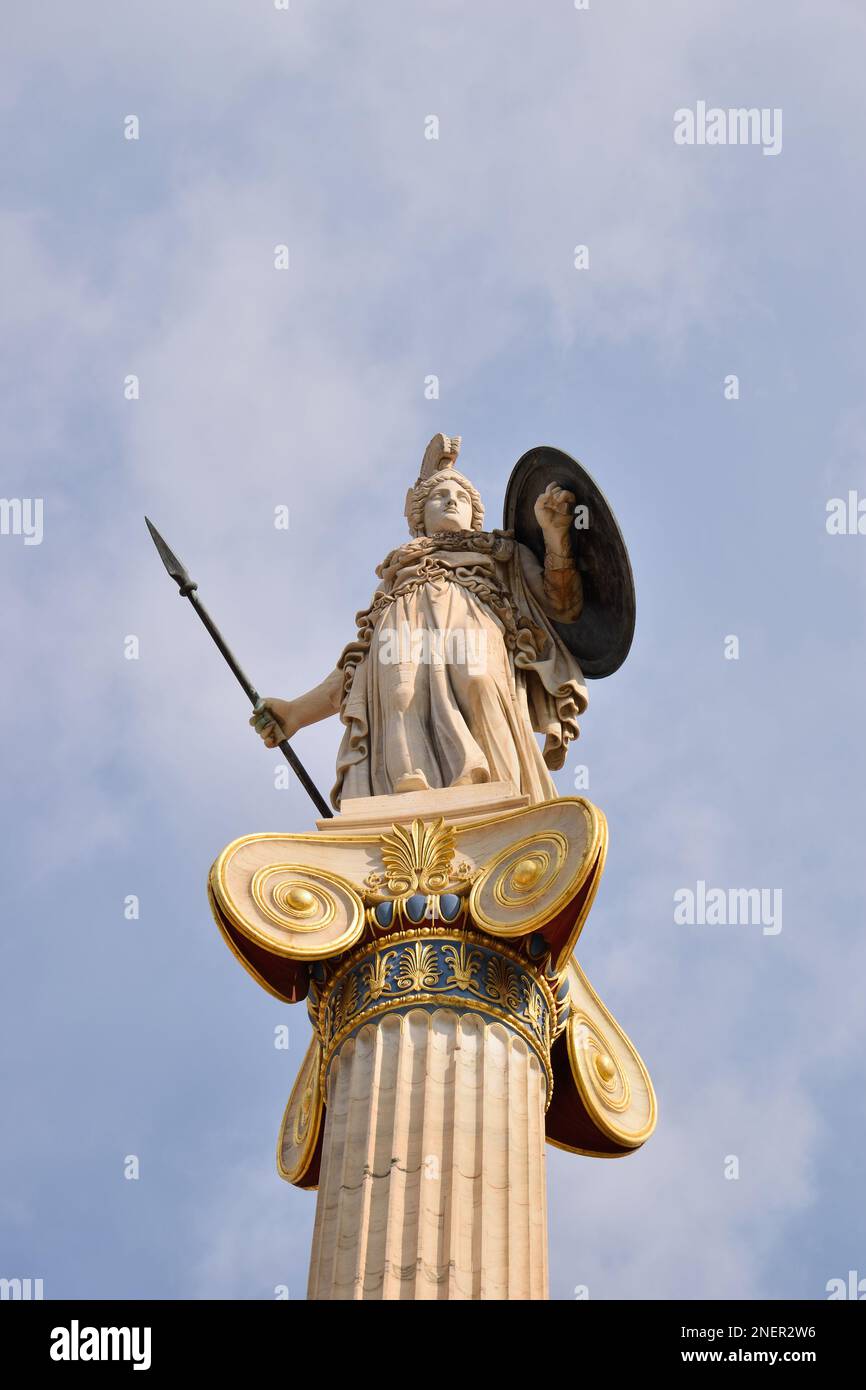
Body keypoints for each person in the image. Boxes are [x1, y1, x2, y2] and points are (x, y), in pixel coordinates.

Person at [250, 434, 588, 809]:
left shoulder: (501, 554)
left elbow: (563, 604)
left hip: (474, 618)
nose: (451, 501)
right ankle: (408, 786)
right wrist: (296, 712)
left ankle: (493, 781)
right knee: (399, 693)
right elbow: (356, 670)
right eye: (439, 496)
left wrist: (556, 537)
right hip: (405, 620)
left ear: (475, 515)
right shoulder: (398, 575)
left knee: (477, 680)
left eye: (461, 498)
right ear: (419, 516)